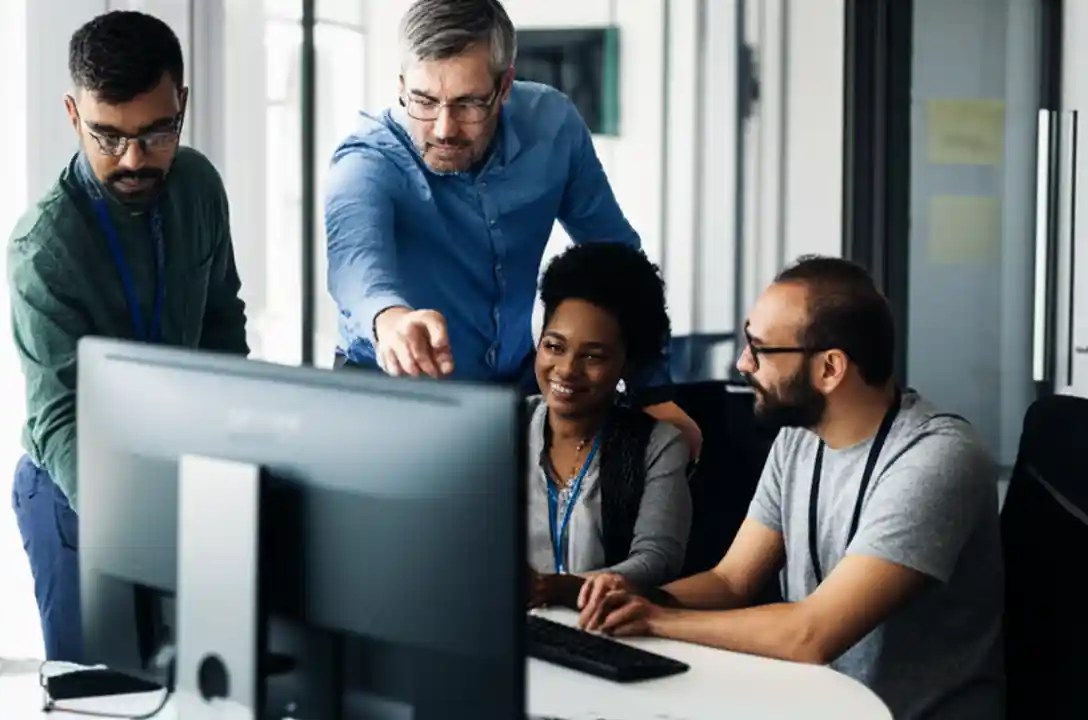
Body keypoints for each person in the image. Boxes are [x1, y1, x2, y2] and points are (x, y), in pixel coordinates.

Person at [578, 257, 1004, 720]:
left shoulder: (934, 458)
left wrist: (658, 620)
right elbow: (731, 581)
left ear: (830, 369)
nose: (742, 363)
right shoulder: (800, 437)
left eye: (760, 349)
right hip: (813, 703)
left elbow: (811, 633)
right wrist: (635, 597)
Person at [324, 0, 701, 456]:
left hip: (515, 397)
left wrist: (652, 391)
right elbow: (357, 270)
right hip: (389, 401)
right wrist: (391, 321)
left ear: (504, 85)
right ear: (402, 85)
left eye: (468, 103)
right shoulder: (365, 161)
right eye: (423, 101)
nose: (444, 128)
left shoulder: (552, 126)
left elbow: (618, 261)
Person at [7, 11, 248, 662]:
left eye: (156, 132)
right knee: (102, 696)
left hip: (182, 474)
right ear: (72, 114)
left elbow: (222, 320)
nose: (135, 159)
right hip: (75, 488)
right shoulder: (45, 248)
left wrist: (235, 451)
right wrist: (142, 532)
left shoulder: (197, 185)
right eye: (107, 136)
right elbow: (60, 419)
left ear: (183, 106)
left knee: (196, 683)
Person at [526, 243, 692, 609]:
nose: (567, 369)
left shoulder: (657, 445)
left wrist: (562, 588)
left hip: (612, 628)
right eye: (554, 347)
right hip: (507, 628)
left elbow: (657, 559)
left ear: (627, 364)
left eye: (593, 356)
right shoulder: (503, 429)